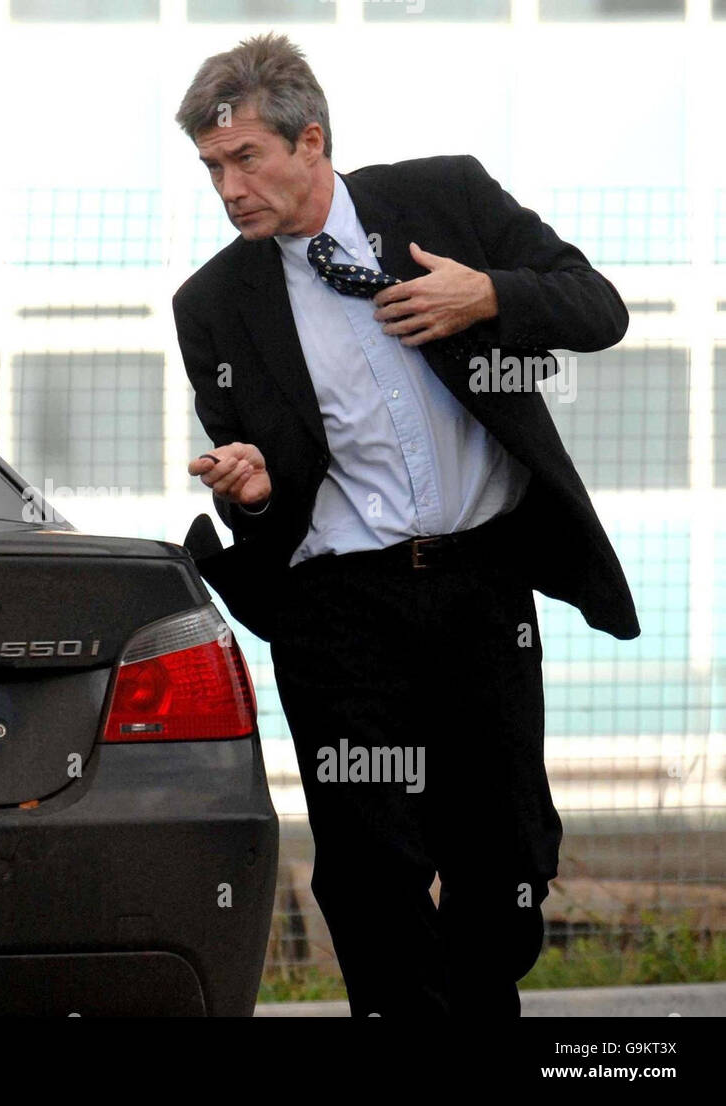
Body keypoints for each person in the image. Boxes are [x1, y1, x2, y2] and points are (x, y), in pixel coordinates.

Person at [172, 32, 638, 1017]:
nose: (228, 187)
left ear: (311, 142)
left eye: (245, 158)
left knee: (504, 849)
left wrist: (490, 295)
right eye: (212, 167)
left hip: (480, 589)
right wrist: (246, 489)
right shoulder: (213, 303)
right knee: (370, 859)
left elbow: (597, 309)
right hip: (338, 603)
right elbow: (251, 464)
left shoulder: (445, 199)